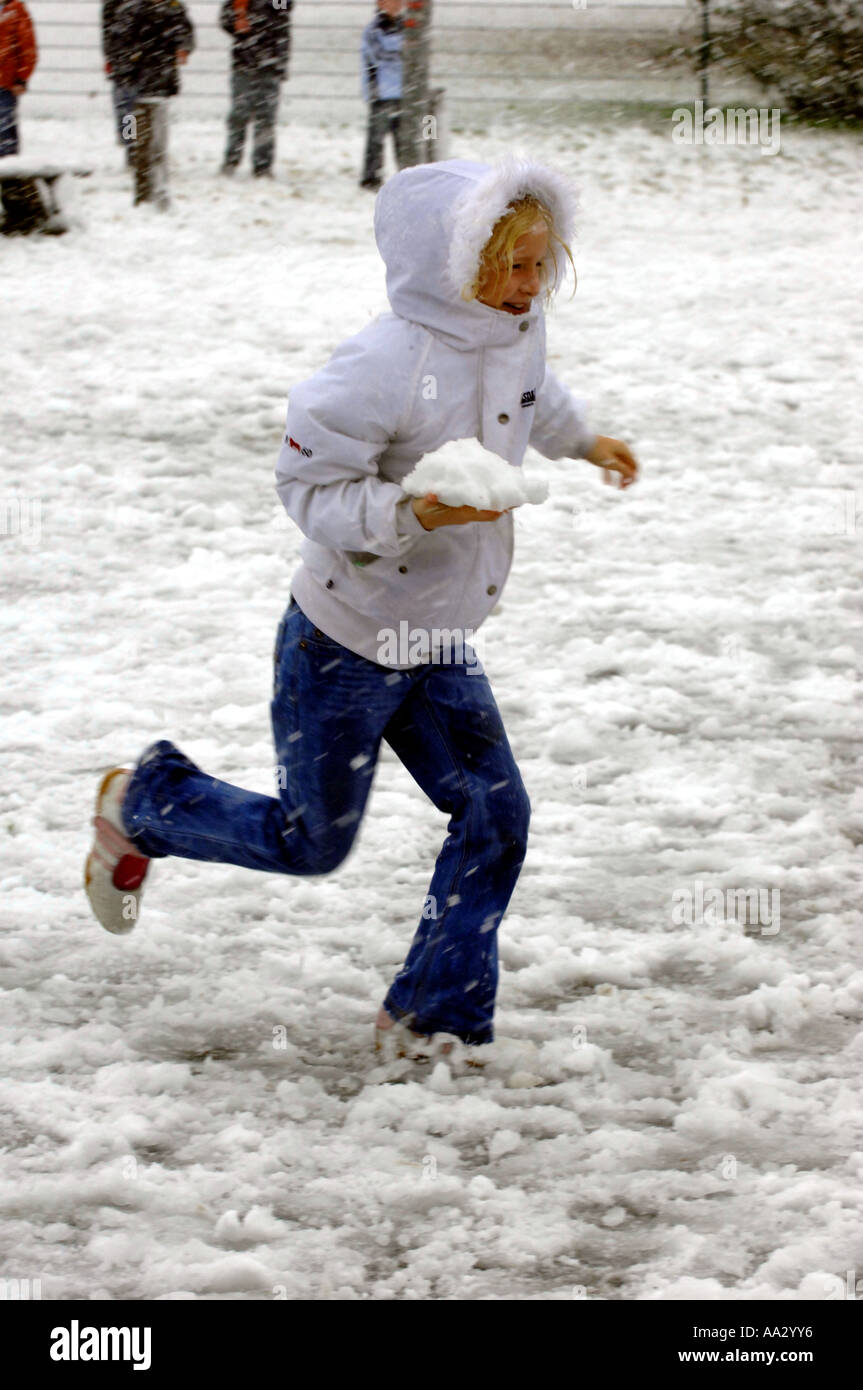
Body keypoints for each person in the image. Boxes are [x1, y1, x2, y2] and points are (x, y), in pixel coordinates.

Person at [84, 157, 638, 1062]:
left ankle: (434, 1015)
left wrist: (583, 440)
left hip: (439, 641)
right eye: (508, 265)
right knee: (311, 842)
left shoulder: (515, 330)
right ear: (447, 265)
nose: (527, 284)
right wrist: (412, 511)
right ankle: (148, 801)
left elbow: (533, 399)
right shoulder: (382, 364)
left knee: (498, 817)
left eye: (539, 263)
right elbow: (306, 488)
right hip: (342, 640)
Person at [112, 0, 194, 208]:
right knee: (130, 121)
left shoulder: (172, 9)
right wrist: (123, 66)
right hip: (135, 82)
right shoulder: (129, 11)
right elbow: (116, 39)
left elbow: (185, 33)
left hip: (155, 84)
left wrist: (183, 47)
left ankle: (153, 187)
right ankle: (130, 151)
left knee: (154, 140)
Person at [219, 0, 292, 178]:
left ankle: (262, 165)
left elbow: (282, 14)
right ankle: (232, 160)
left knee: (266, 117)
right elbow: (225, 19)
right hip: (244, 64)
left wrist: (280, 62)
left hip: (269, 64)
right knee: (239, 115)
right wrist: (236, 21)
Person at [359, 0, 410, 190]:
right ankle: (371, 178)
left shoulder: (409, 27)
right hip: (381, 94)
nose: (395, 5)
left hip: (404, 94)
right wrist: (401, 51)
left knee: (404, 141)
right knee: (375, 140)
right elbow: (378, 56)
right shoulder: (373, 31)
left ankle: (407, 177)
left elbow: (413, 55)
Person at [102, 0, 138, 166]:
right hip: (125, 62)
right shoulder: (112, 6)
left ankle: (132, 146)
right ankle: (132, 147)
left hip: (131, 62)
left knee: (127, 108)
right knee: (128, 109)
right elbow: (109, 33)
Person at [0, 0, 36, 158]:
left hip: (6, 82)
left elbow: (27, 47)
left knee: (5, 125)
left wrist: (21, 78)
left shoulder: (16, 11)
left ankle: (8, 164)